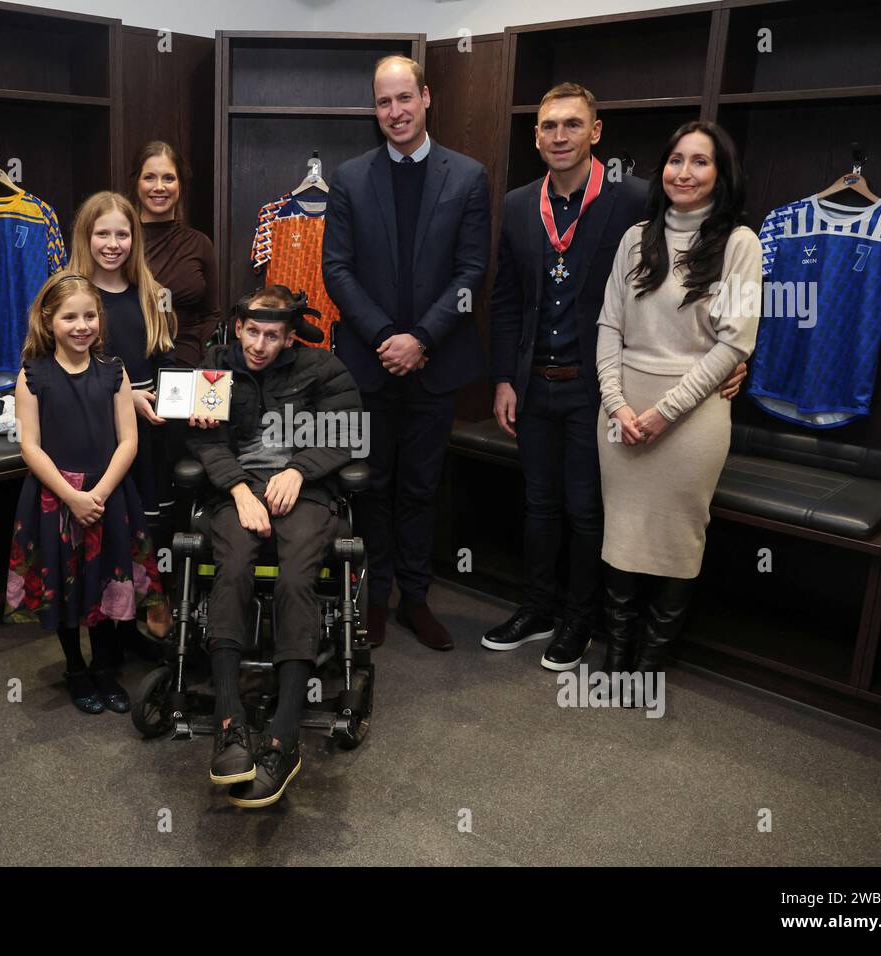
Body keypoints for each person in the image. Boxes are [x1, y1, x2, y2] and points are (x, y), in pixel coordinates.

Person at [485, 83, 745, 672]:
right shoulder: (521, 202)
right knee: (539, 505)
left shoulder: (635, 202)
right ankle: (537, 608)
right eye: (548, 126)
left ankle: (580, 620)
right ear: (536, 135)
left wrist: (738, 358)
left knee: (584, 509)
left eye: (572, 125)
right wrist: (503, 376)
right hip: (533, 382)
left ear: (595, 132)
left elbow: (701, 287)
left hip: (597, 388)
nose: (559, 136)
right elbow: (506, 298)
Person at [323, 54, 490, 651]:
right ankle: (373, 598)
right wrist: (383, 339)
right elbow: (336, 270)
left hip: (436, 364)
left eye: (403, 98)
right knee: (369, 486)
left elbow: (472, 272)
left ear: (426, 97)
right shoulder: (349, 178)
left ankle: (415, 599)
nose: (394, 111)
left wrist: (420, 339)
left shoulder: (467, 177)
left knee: (421, 488)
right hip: (369, 367)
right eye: (382, 102)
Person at [595, 121, 762, 682]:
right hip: (622, 410)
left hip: (693, 418)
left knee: (679, 537)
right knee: (621, 529)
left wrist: (665, 413)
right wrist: (617, 404)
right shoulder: (635, 238)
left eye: (700, 162)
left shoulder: (740, 243)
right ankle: (616, 658)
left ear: (721, 173)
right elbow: (608, 327)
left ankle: (649, 663)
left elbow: (734, 342)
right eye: (674, 160)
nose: (683, 173)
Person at [186, 285, 362, 809]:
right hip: (237, 488)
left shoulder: (325, 369)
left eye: (273, 336)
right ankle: (229, 724)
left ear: (289, 339)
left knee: (294, 577)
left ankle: (284, 736)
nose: (260, 345)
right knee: (233, 567)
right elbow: (205, 442)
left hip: (304, 490)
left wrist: (297, 471)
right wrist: (239, 489)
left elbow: (347, 433)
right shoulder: (214, 367)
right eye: (253, 332)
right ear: (238, 326)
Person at [4, 271, 165, 715]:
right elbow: (29, 445)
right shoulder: (32, 375)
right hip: (55, 500)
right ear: (49, 320)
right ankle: (76, 668)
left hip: (108, 496)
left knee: (107, 580)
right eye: (70, 317)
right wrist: (71, 496)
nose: (82, 325)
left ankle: (106, 668)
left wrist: (100, 492)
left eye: (90, 315)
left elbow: (128, 440)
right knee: (66, 584)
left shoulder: (114, 371)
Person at [67, 190, 174, 641]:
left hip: (150, 427)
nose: (113, 243)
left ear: (135, 238)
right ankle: (111, 627)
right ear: (85, 237)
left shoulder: (151, 293)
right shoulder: (71, 295)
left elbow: (164, 356)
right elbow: (55, 373)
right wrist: (124, 397)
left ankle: (146, 605)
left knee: (150, 523)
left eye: (123, 233)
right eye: (102, 233)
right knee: (111, 529)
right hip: (98, 434)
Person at [130, 140, 219, 368]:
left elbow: (211, 314)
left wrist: (203, 360)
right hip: (128, 364)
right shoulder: (121, 242)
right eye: (149, 177)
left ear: (180, 184)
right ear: (136, 183)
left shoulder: (199, 244)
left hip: (187, 367)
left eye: (168, 178)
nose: (159, 186)